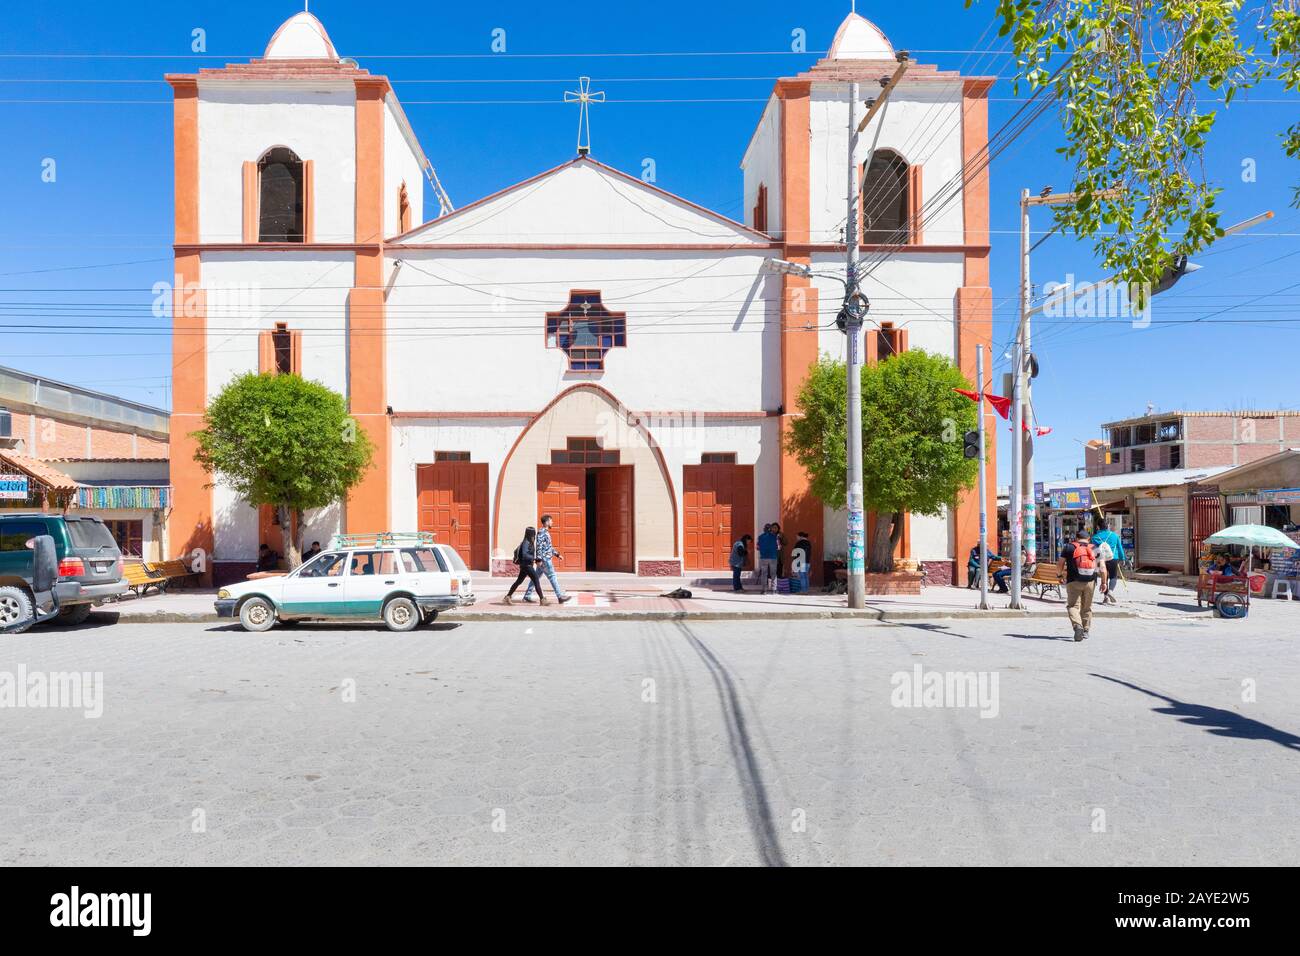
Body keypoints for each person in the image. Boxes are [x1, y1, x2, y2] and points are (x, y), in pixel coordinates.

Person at [1057, 527, 1100, 642]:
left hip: (1073, 581)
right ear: (1088, 538)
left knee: (1073, 606)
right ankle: (1086, 631)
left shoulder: (1069, 547)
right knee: (1087, 607)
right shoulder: (1095, 548)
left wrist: (1060, 576)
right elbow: (1102, 567)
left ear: (1076, 538)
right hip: (1091, 581)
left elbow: (1060, 563)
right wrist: (1105, 582)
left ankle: (1078, 626)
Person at [523, 514, 573, 604]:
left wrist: (557, 554)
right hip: (545, 560)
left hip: (543, 559)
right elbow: (539, 546)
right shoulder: (542, 532)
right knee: (552, 577)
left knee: (535, 578)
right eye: (551, 521)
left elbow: (548, 547)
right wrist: (538, 560)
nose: (552, 522)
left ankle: (527, 595)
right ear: (546, 522)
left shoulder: (545, 532)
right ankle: (560, 596)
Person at [503, 527, 547, 606]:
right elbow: (525, 555)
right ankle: (542, 599)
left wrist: (534, 559)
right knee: (536, 579)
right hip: (527, 566)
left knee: (519, 581)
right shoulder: (526, 543)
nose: (534, 535)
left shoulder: (529, 542)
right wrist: (534, 558)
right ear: (530, 534)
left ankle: (507, 597)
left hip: (525, 565)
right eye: (533, 533)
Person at [1091, 519, 1125, 605]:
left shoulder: (1094, 537)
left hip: (1101, 559)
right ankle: (1110, 591)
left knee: (1104, 576)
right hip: (1113, 558)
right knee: (1113, 576)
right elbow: (1119, 548)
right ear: (1107, 526)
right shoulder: (1114, 535)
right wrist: (1122, 558)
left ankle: (1106, 597)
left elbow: (1092, 549)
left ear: (1098, 527)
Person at [756, 523, 780, 593]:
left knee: (764, 574)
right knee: (773, 573)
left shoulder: (760, 537)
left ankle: (764, 590)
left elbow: (757, 548)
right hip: (773, 557)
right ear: (771, 529)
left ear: (764, 529)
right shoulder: (775, 537)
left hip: (763, 557)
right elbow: (778, 547)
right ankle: (774, 589)